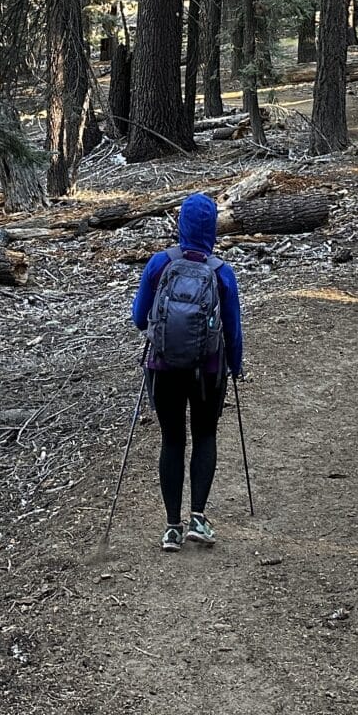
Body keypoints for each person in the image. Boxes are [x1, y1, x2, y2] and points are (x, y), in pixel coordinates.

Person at [131, 192, 244, 552]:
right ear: (212, 228)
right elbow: (232, 329)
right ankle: (198, 517)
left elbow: (139, 318)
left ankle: (171, 528)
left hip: (163, 366)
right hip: (208, 370)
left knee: (172, 440)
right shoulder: (221, 272)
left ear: (181, 225)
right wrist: (236, 365)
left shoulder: (160, 263)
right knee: (205, 435)